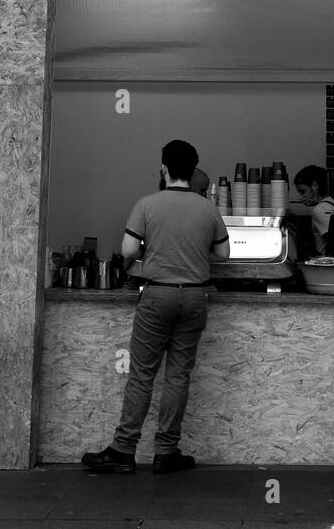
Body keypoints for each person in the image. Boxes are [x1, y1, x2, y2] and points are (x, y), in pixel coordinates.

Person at [82, 139, 230, 475]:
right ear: (193, 173)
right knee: (178, 375)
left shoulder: (147, 204)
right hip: (195, 297)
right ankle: (166, 452)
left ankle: (123, 450)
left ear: (163, 169)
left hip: (157, 296)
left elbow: (128, 250)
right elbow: (223, 254)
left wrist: (157, 246)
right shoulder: (208, 209)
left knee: (142, 375)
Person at [292, 165, 334, 257]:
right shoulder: (332, 203)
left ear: (315, 186)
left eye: (302, 191)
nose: (300, 198)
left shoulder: (320, 209)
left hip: (326, 264)